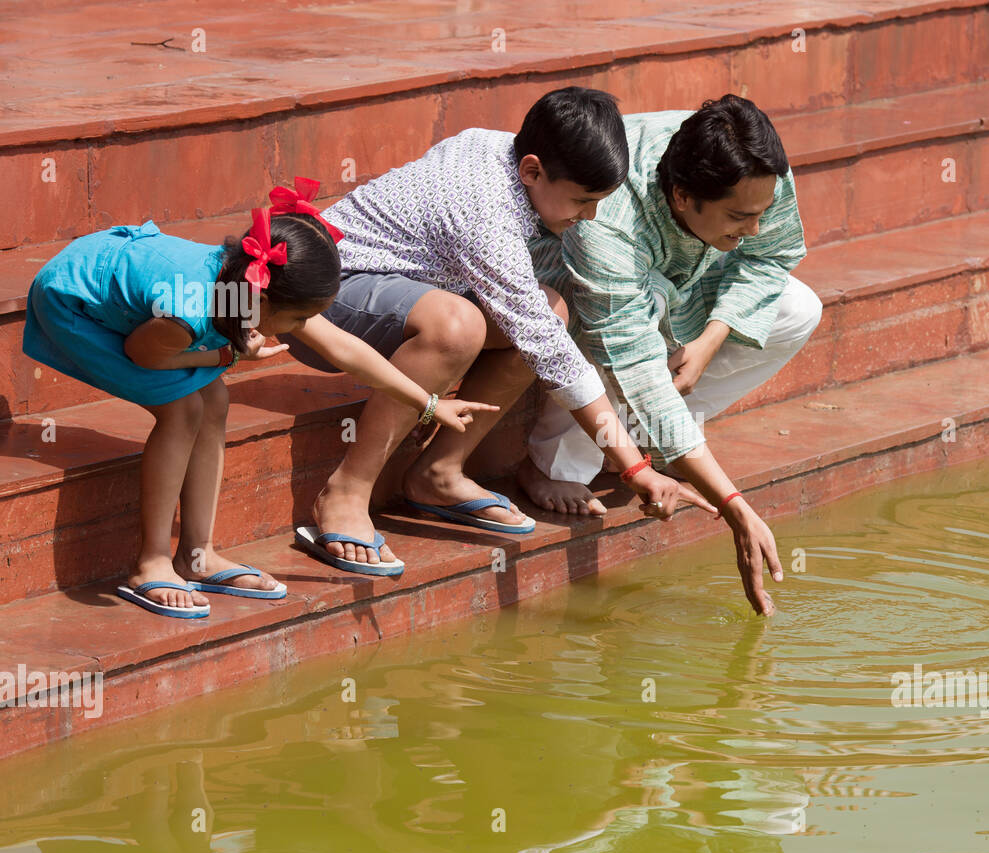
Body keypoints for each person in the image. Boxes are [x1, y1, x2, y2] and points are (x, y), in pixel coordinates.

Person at [286, 87, 705, 575]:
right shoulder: (484, 209)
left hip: (404, 294)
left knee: (548, 310)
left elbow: (540, 329)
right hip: (323, 305)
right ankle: (346, 492)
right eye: (583, 201)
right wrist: (634, 466)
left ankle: (438, 472)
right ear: (532, 171)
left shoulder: (507, 156)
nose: (587, 217)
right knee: (461, 326)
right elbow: (551, 354)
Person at [22, 183, 490, 617]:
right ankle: (151, 563)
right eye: (301, 317)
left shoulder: (253, 287)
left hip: (133, 300)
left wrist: (431, 403)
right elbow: (143, 351)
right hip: (75, 303)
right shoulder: (192, 308)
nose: (306, 325)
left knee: (215, 401)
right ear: (263, 305)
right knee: (183, 410)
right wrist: (225, 353)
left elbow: (350, 352)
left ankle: (196, 555)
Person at [524, 95, 823, 616]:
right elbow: (629, 355)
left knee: (798, 307)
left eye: (759, 213)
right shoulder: (603, 220)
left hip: (686, 287)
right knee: (602, 330)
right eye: (738, 217)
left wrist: (710, 339)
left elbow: (772, 254)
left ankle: (658, 447)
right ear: (682, 198)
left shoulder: (755, 165)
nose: (753, 228)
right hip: (579, 286)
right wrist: (735, 505)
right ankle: (554, 464)